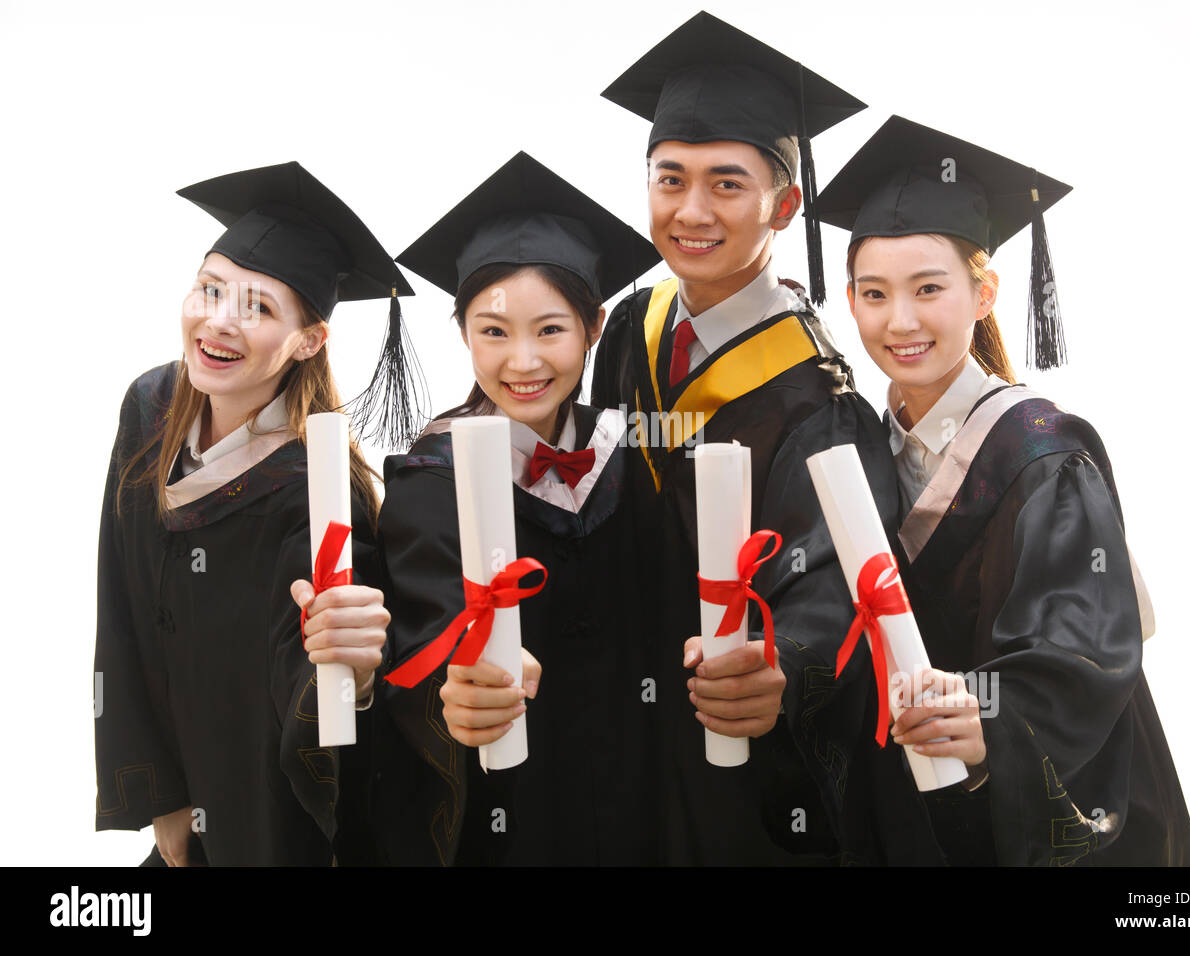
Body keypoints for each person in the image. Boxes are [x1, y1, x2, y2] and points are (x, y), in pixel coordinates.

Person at [591, 12, 935, 864]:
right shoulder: (632, 325)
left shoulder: (816, 396)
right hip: (619, 726)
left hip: (738, 761)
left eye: (727, 184)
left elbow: (834, 568)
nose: (691, 210)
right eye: (669, 180)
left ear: (784, 205)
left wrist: (782, 665)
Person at [817, 114, 1190, 865]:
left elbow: (1084, 648)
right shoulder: (863, 444)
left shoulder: (1041, 450)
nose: (900, 321)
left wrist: (992, 717)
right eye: (872, 293)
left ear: (984, 292)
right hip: (940, 813)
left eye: (929, 289)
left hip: (1070, 813)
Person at [94, 161, 405, 865]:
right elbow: (123, 606)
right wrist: (160, 795)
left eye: (258, 307)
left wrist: (349, 670)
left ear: (309, 341)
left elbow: (314, 691)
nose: (218, 321)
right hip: (179, 791)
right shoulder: (150, 409)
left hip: (267, 811)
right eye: (209, 289)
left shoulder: (320, 492)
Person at [369, 152, 665, 864]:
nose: (523, 362)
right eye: (494, 332)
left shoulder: (640, 453)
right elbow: (427, 617)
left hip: (644, 800)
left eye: (551, 330)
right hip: (509, 814)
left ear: (595, 327)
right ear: (463, 331)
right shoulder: (429, 476)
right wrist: (459, 680)